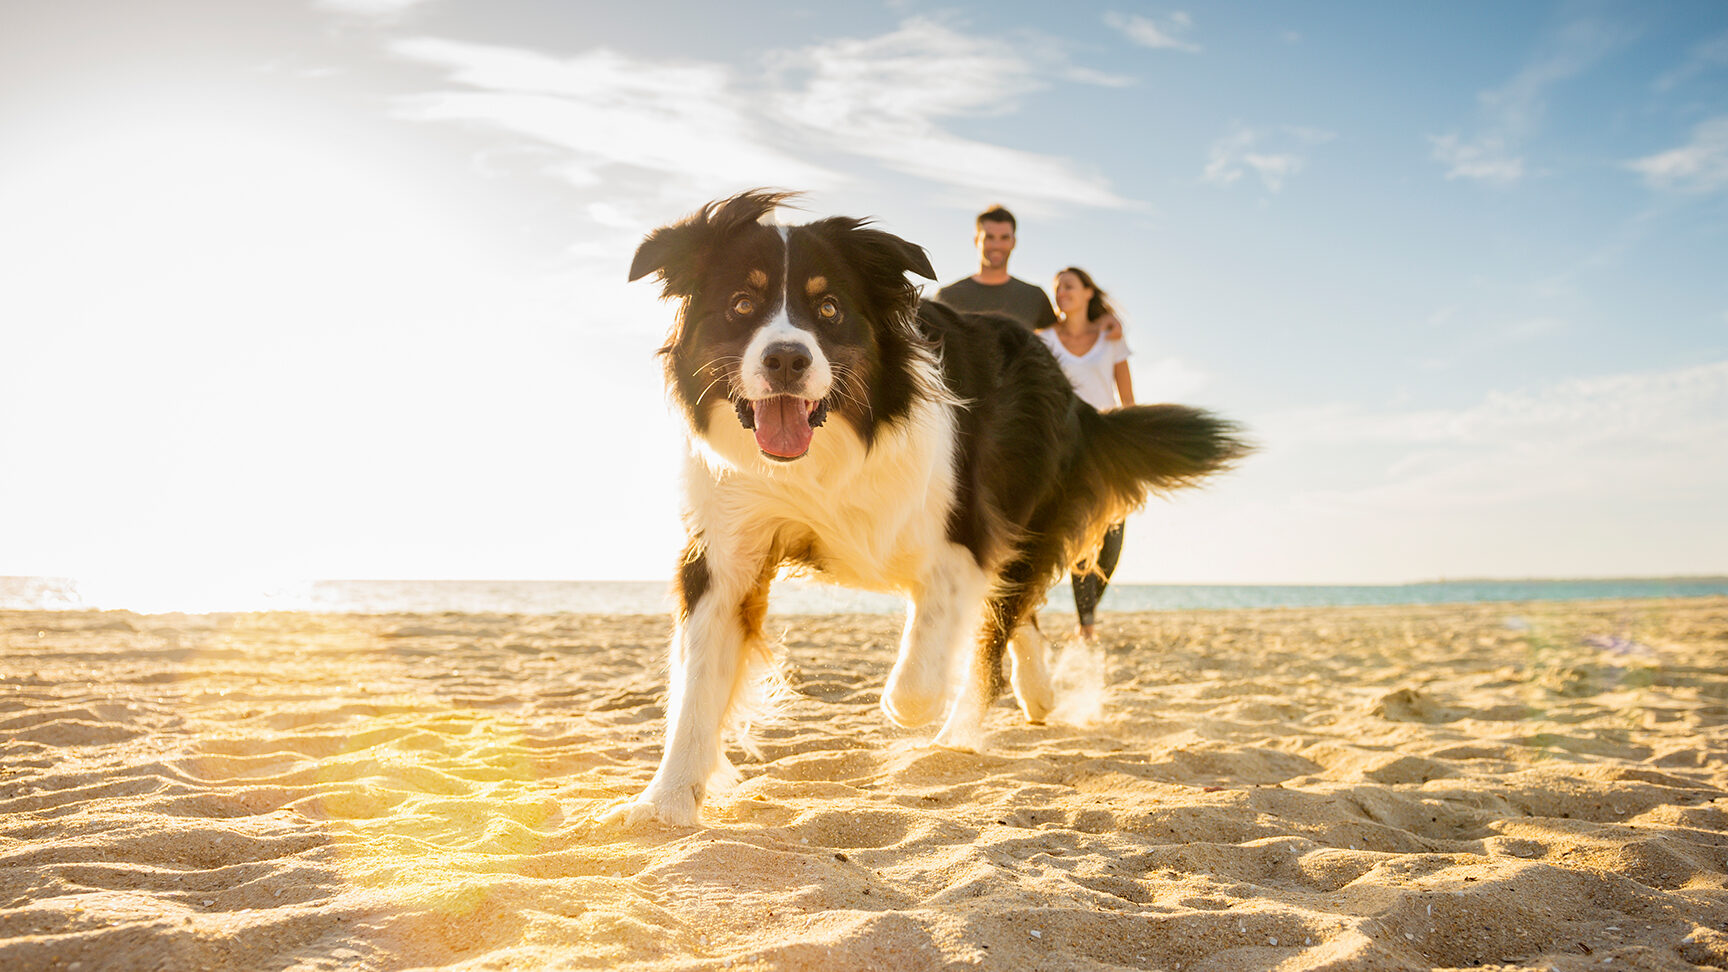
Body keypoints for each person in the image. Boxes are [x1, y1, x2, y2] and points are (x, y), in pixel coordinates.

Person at [1040, 267, 1135, 641]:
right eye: (1057, 288)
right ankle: (1087, 626)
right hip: (1065, 444)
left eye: (1069, 286)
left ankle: (1087, 613)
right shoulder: (1045, 338)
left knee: (1112, 537)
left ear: (1087, 292)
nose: (1062, 293)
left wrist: (1134, 444)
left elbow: (1127, 399)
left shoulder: (1110, 337)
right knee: (1080, 530)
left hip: (1108, 445)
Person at [933, 205, 1058, 331]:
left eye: (1004, 238)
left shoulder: (1034, 297)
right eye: (989, 237)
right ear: (977, 240)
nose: (997, 245)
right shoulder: (948, 297)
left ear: (1013, 242)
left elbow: (1060, 342)